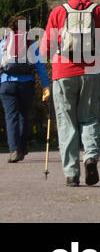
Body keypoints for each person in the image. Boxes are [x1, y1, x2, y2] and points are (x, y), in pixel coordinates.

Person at [39, 0, 100, 186]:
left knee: (67, 123)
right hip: (92, 71)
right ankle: (90, 156)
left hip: (63, 72)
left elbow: (45, 49)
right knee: (90, 118)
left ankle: (71, 173)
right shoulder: (99, 11)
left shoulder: (58, 12)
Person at [0, 14, 50, 163]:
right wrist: (46, 85)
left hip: (7, 84)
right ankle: (22, 148)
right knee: (23, 116)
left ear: (11, 27)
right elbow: (40, 66)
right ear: (27, 28)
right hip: (26, 84)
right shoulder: (31, 44)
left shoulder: (3, 43)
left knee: (11, 117)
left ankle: (14, 150)